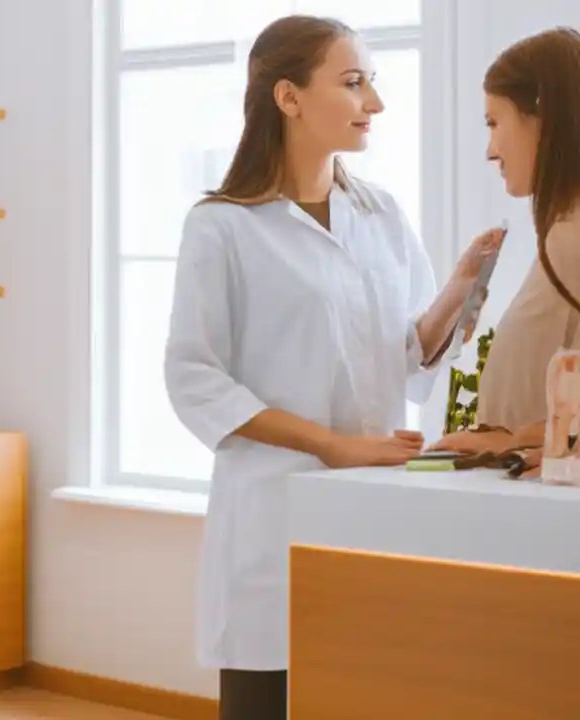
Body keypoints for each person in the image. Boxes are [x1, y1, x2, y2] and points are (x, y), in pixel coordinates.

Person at [163, 15, 502, 720]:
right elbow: (196, 378)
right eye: (353, 83)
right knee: (266, 695)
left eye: (371, 83)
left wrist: (458, 290)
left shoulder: (381, 214)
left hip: (374, 504)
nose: (373, 103)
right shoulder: (221, 225)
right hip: (272, 511)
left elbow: (404, 354)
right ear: (288, 98)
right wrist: (329, 445)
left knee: (364, 689)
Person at [433, 28, 580, 458]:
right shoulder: (561, 236)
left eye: (494, 123)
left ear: (544, 119)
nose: (490, 151)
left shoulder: (570, 242)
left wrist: (511, 439)